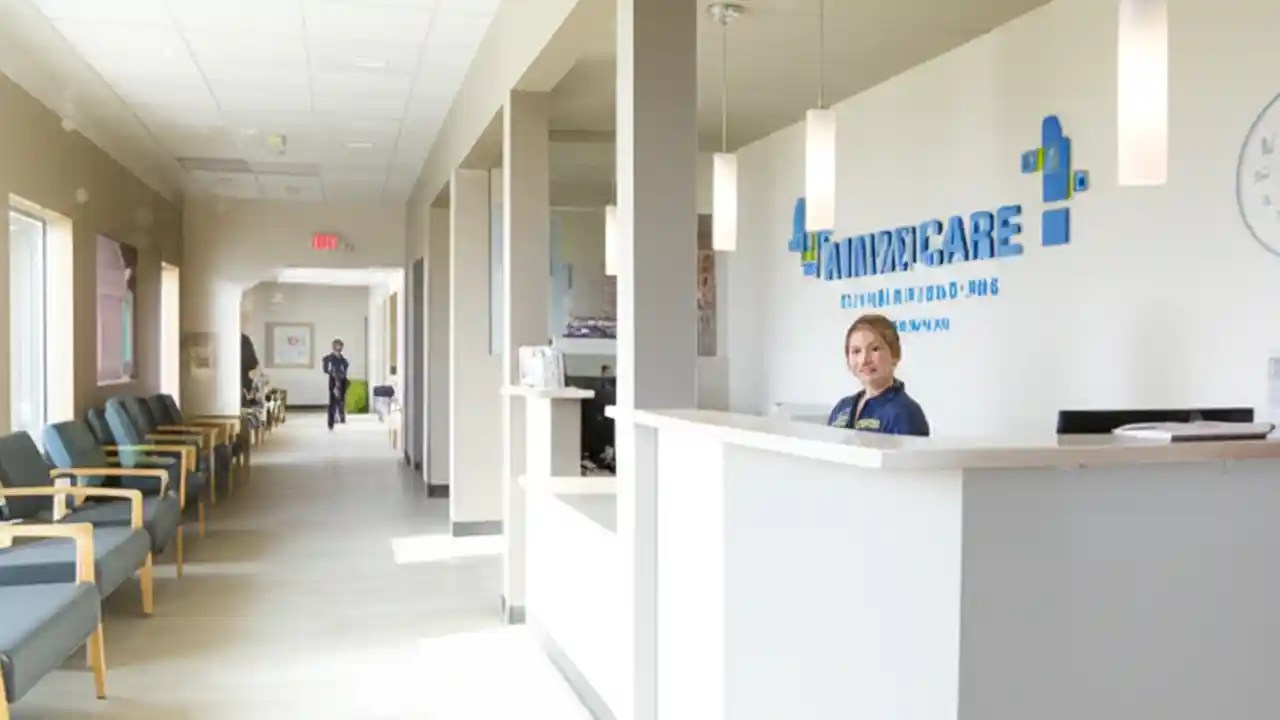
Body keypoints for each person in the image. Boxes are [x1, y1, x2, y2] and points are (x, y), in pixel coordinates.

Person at [827, 313, 930, 436]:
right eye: (856, 351)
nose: (864, 360)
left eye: (875, 349)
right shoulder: (842, 408)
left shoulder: (905, 413)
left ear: (895, 354)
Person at [322, 338, 350, 430]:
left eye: (340, 346)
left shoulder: (343, 359)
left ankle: (340, 417)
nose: (339, 347)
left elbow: (345, 368)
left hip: (342, 380)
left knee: (341, 400)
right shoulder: (329, 358)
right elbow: (326, 368)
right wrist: (332, 373)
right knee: (332, 401)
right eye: (337, 345)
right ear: (334, 347)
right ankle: (331, 422)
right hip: (333, 380)